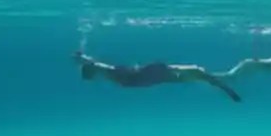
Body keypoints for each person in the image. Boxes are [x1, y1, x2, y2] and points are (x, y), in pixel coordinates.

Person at [75, 51, 242, 102]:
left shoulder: (195, 73)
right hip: (144, 77)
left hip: (143, 78)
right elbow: (215, 82)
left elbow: (215, 82)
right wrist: (230, 92)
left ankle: (85, 61)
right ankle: (85, 61)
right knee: (111, 72)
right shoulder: (195, 73)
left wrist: (230, 92)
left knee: (111, 72)